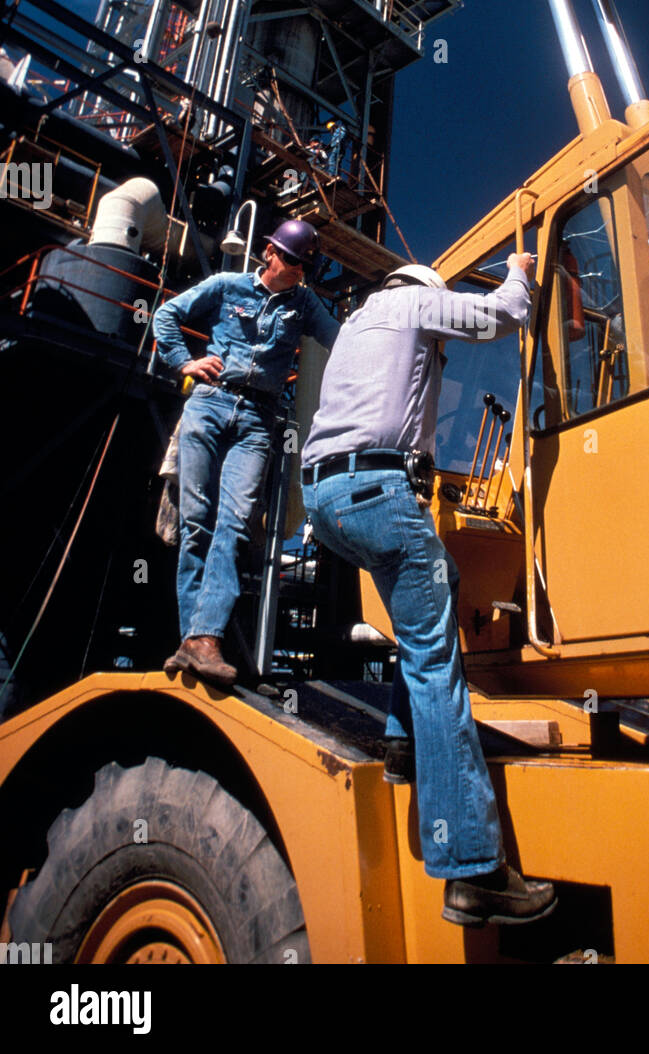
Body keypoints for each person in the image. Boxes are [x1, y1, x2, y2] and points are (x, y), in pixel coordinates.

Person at [299, 256, 556, 927]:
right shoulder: (415, 305)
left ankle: (404, 743)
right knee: (438, 665)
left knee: (437, 592)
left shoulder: (358, 321)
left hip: (327, 499)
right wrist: (522, 271)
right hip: (380, 493)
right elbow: (503, 315)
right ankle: (473, 869)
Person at [154, 220, 339, 687]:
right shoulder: (226, 285)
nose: (301, 271)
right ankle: (194, 640)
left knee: (234, 526)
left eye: (306, 265)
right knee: (196, 521)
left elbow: (341, 337)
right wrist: (185, 361)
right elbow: (164, 316)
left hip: (258, 421)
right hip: (210, 404)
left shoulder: (304, 305)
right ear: (271, 254)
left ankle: (203, 637)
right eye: (295, 261)